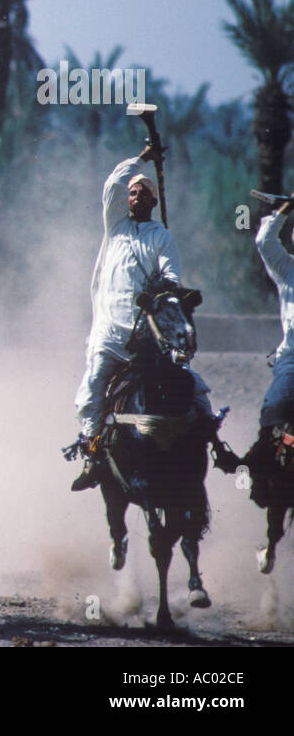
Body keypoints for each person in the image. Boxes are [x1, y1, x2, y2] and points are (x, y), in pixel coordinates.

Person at [70, 145, 213, 490]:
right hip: (108, 335)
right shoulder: (114, 227)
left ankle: (214, 442)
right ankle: (91, 454)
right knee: (90, 391)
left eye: (140, 193)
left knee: (194, 388)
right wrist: (142, 157)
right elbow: (112, 186)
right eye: (131, 193)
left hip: (147, 338)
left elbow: (172, 279)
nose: (133, 197)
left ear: (153, 201)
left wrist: (161, 288)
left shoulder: (162, 237)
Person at [246, 197, 294, 486]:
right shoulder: (287, 268)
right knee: (274, 406)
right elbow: (264, 240)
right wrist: (285, 208)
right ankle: (260, 470)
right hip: (292, 358)